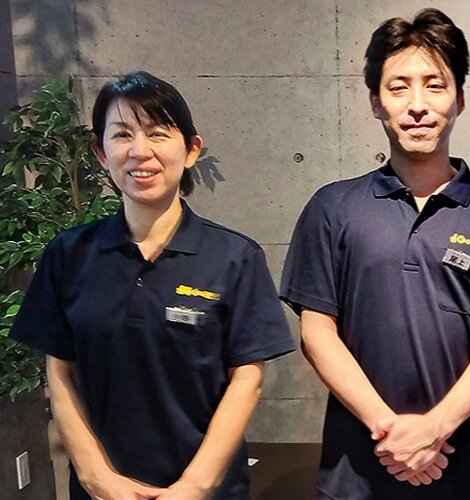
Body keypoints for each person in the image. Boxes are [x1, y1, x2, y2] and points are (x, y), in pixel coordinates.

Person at [280, 8, 470, 499]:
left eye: (435, 85)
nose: (418, 106)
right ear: (375, 102)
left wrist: (435, 428)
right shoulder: (333, 207)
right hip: (355, 470)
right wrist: (389, 432)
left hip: (463, 467)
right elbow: (317, 332)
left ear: (459, 99)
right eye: (399, 87)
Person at [10, 71, 295, 499]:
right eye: (122, 134)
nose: (140, 151)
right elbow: (60, 372)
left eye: (158, 133)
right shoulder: (69, 254)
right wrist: (96, 478)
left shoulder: (234, 256)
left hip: (208, 491)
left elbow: (247, 378)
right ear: (101, 153)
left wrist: (194, 486)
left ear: (191, 150)